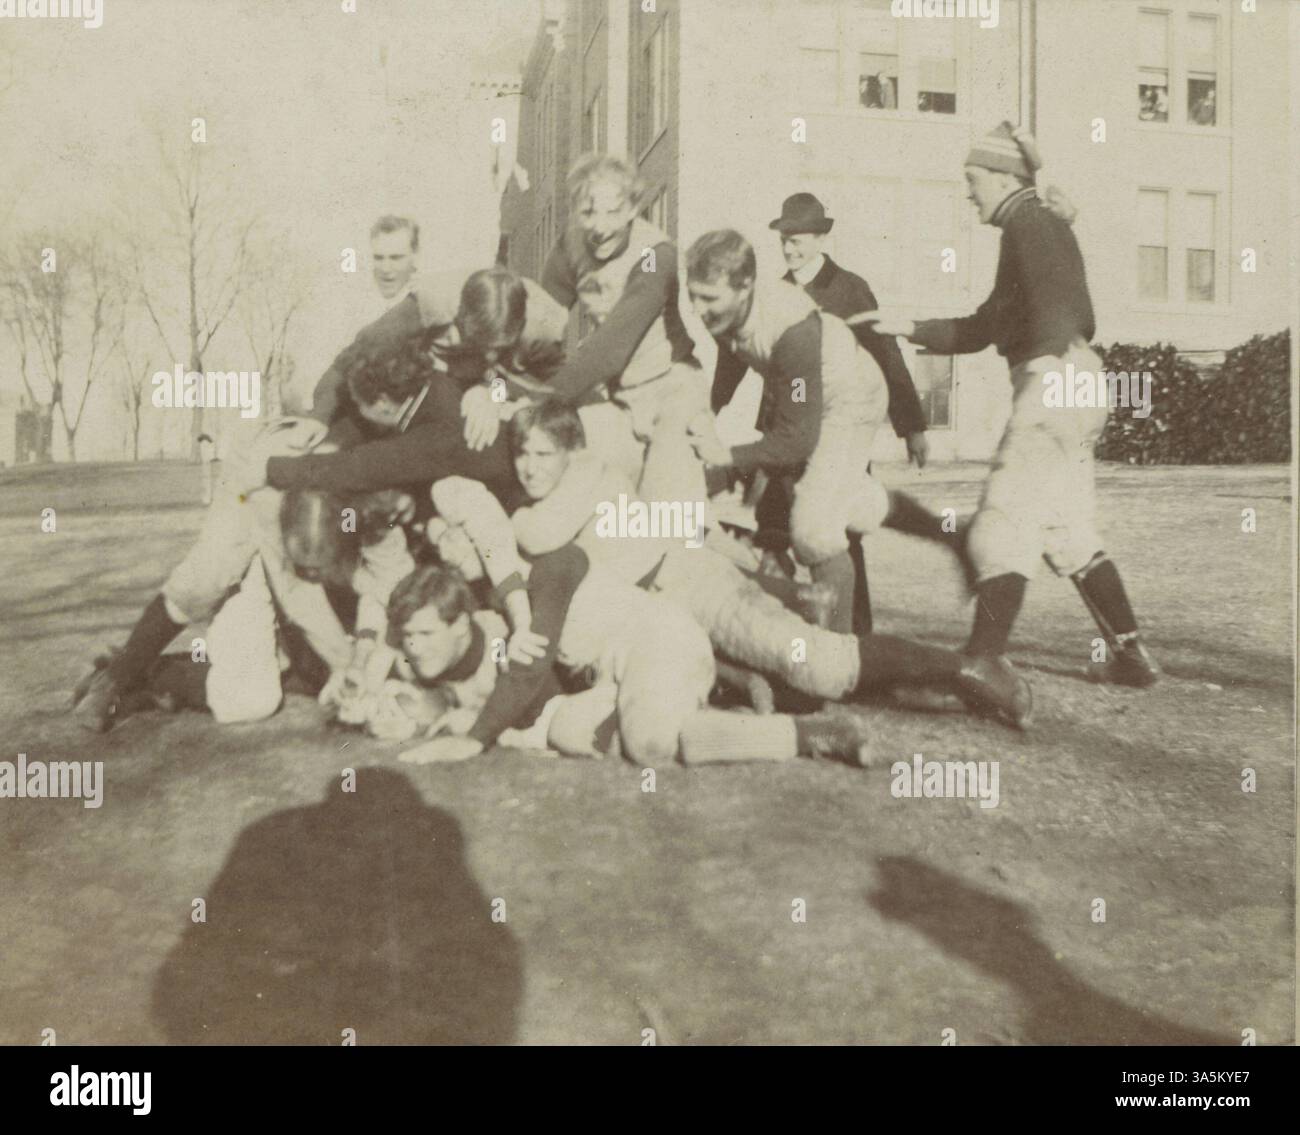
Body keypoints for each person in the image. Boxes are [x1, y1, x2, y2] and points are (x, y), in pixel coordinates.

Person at [431, 401, 1033, 731]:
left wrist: (493, 524)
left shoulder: (583, 478)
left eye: (543, 453)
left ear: (569, 452)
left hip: (688, 583)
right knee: (796, 696)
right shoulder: (546, 498)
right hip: (663, 612)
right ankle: (924, 684)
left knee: (817, 668)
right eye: (522, 454)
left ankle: (970, 669)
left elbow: (535, 532)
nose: (531, 466)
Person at [864, 122, 1159, 687]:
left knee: (1002, 519)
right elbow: (987, 324)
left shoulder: (1031, 223)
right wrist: (908, 325)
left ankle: (984, 657)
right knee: (1063, 526)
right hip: (1076, 381)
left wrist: (1046, 366)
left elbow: (1059, 313)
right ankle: (1130, 655)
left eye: (973, 179)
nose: (968, 192)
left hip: (1054, 380)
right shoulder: (1032, 225)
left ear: (1004, 178)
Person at [682, 229, 891, 634]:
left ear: (745, 287)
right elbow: (732, 361)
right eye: (693, 295)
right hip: (805, 395)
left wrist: (729, 458)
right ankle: (871, 500)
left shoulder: (792, 329)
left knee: (814, 529)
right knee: (795, 508)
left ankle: (838, 655)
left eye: (708, 298)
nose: (698, 308)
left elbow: (797, 440)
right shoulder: (725, 310)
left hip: (848, 398)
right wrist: (707, 413)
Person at [538, 152, 707, 505]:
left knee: (666, 513)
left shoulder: (654, 255)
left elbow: (610, 350)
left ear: (632, 208)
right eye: (588, 212)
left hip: (669, 388)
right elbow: (538, 325)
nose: (600, 227)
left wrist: (537, 398)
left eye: (613, 211)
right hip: (617, 396)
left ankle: (748, 559)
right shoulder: (569, 247)